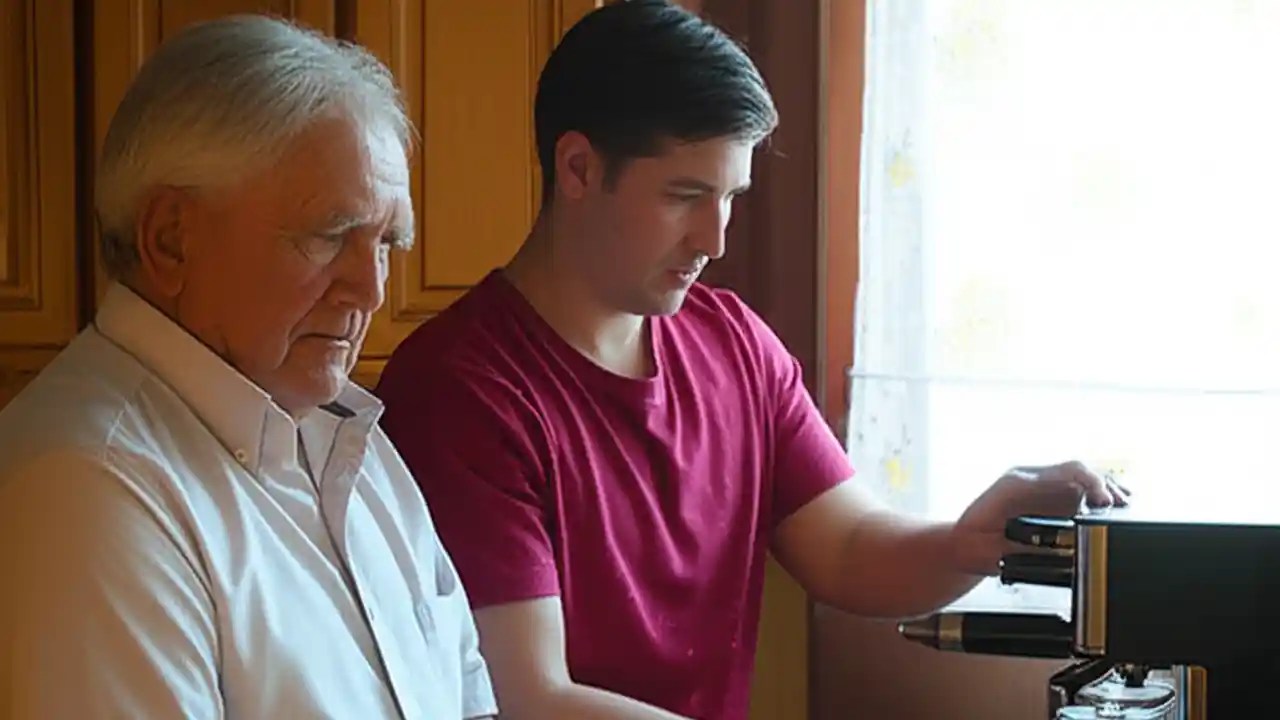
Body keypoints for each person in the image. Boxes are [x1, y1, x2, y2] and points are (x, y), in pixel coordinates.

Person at [374, 2, 1128, 719]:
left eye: (731, 195)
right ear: (577, 169)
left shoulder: (733, 341)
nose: (715, 238)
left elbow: (849, 548)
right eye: (685, 195)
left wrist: (967, 542)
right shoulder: (458, 391)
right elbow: (532, 697)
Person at [0, 15, 496, 720]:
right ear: (171, 240)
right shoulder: (84, 489)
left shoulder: (350, 440)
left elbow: (468, 693)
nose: (373, 288)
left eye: (386, 241)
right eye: (329, 236)